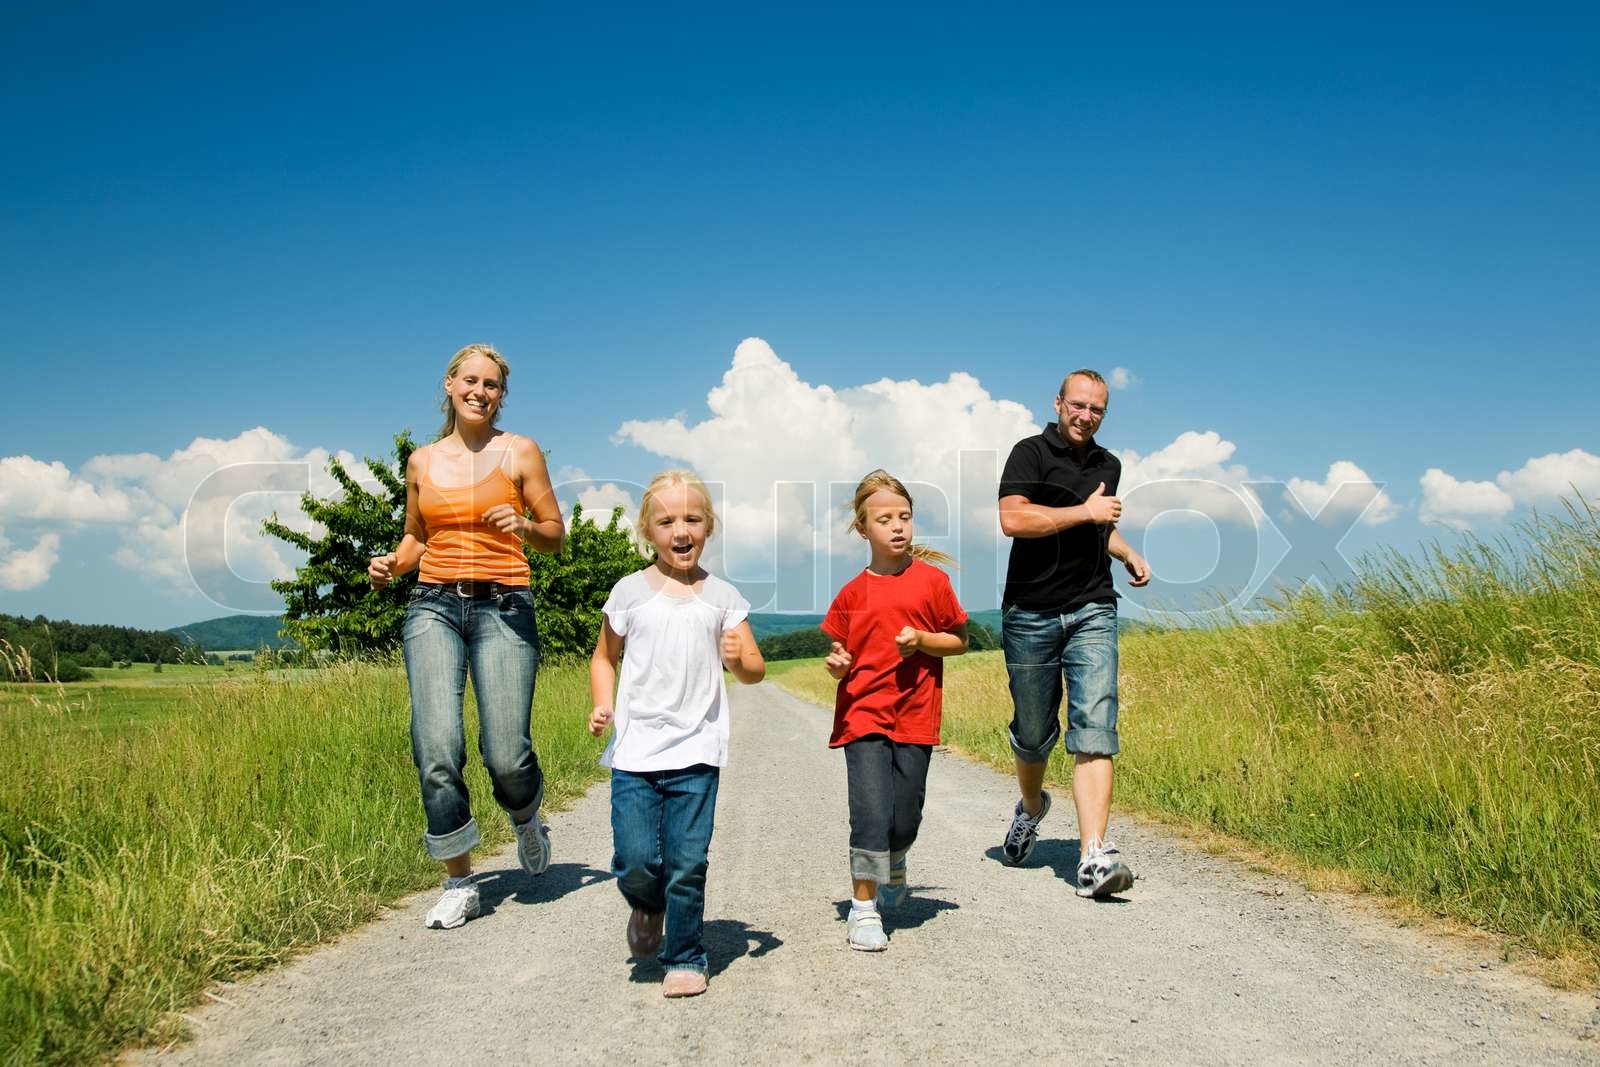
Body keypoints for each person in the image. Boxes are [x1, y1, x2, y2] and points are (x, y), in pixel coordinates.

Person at [368, 343, 565, 930]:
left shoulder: (518, 451)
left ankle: (526, 817)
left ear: (501, 395)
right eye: (471, 381)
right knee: (436, 744)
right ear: (450, 385)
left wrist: (526, 525)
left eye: (493, 385)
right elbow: (417, 539)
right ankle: (460, 880)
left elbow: (555, 534)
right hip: (432, 606)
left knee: (506, 754)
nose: (481, 391)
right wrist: (391, 565)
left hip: (504, 605)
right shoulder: (421, 461)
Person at [588, 470, 766, 998]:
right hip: (636, 752)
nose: (680, 530)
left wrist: (739, 660)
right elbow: (604, 657)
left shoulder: (723, 596)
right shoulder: (628, 593)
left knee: (687, 861)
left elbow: (755, 667)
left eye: (691, 518)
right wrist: (603, 702)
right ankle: (647, 903)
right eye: (667, 521)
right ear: (648, 530)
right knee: (636, 859)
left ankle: (685, 954)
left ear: (709, 526)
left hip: (697, 749)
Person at [995, 368, 1151, 898]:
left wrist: (1125, 549)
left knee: (1095, 725)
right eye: (1077, 405)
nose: (1086, 416)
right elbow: (1013, 520)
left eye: (1097, 409)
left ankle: (1093, 855)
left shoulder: (1109, 463)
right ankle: (1033, 807)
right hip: (1030, 612)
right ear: (1059, 403)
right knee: (1034, 733)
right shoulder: (1029, 454)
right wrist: (1085, 510)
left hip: (1092, 607)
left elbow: (1099, 526)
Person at [822, 470, 969, 951]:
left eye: (904, 517)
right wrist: (838, 664)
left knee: (903, 818)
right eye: (884, 519)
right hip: (862, 715)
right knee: (869, 814)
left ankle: (896, 859)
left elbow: (960, 640)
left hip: (915, 716)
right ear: (863, 529)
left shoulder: (933, 583)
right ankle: (863, 909)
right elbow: (840, 654)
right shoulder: (850, 594)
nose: (898, 527)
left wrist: (923, 641)